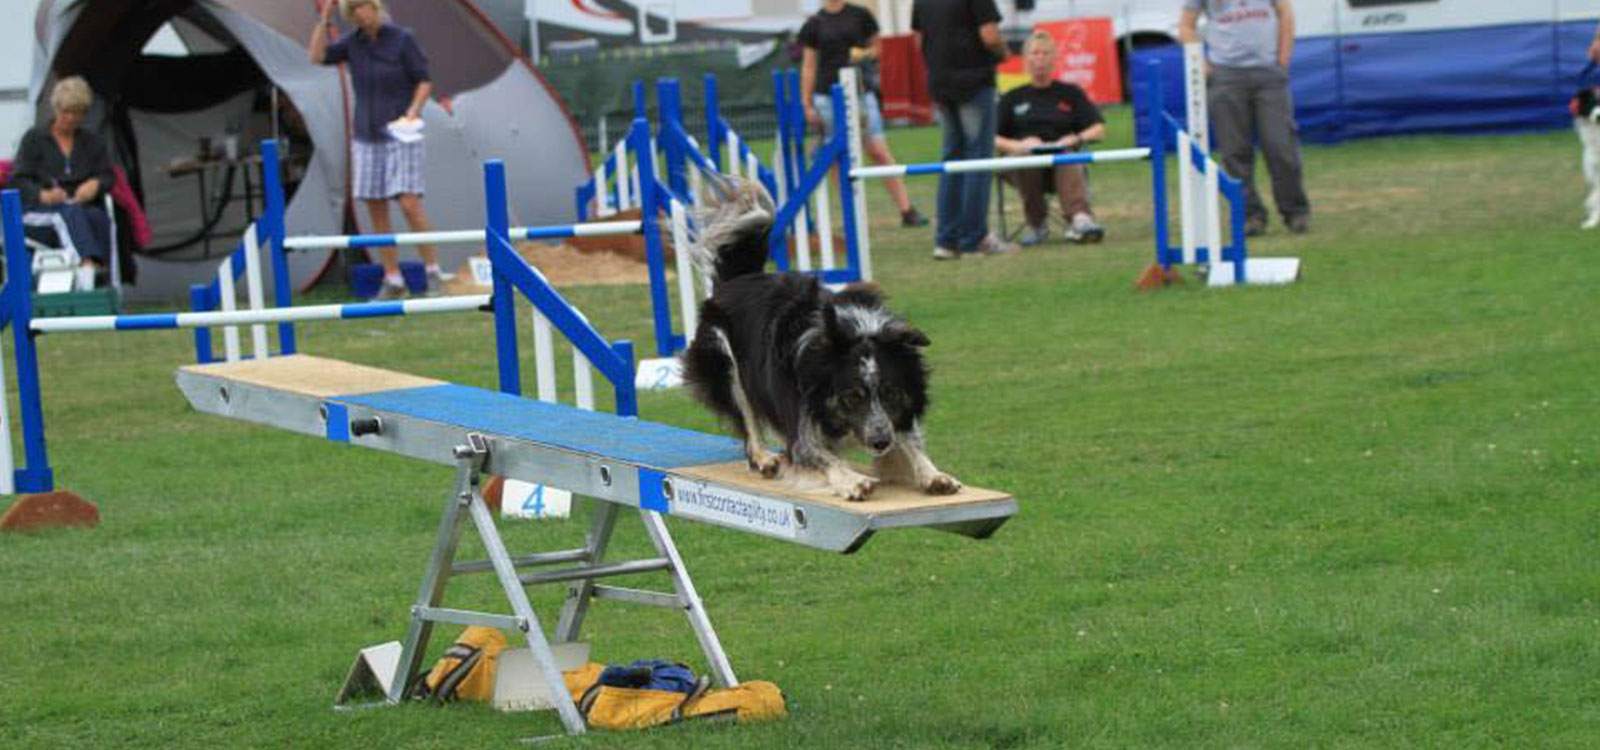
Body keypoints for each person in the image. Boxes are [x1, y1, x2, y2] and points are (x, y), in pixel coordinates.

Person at [309, 0, 445, 299]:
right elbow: (317, 57)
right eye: (352, 10)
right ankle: (392, 277)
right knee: (375, 206)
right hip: (366, 135)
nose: (359, 14)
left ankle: (433, 270)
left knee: (409, 203)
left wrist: (413, 111)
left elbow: (424, 80)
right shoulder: (351, 44)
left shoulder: (402, 39)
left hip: (400, 132)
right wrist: (324, 20)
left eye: (362, 7)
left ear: (375, 7)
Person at [1179, 0, 1311, 236]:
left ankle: (1295, 212)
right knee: (1235, 152)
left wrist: (1283, 60)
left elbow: (1285, 13)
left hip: (1269, 74)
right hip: (1225, 76)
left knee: (1281, 146)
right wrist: (1203, 64)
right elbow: (1186, 27)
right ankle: (1250, 216)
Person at [799, 0, 928, 228]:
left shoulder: (860, 15)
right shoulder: (813, 24)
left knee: (878, 151)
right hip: (826, 96)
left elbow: (879, 49)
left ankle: (907, 209)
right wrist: (806, 103)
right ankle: (851, 216)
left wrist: (864, 53)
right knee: (836, 158)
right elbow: (809, 66)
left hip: (861, 92)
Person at [912, 0, 1017, 260]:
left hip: (940, 82)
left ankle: (946, 241)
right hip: (974, 82)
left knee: (951, 161)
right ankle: (974, 238)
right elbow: (990, 37)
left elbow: (917, 40)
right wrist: (1005, 54)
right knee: (978, 160)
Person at [995, 31, 1107, 246]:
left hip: (1062, 161)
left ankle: (1080, 220)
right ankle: (1037, 224)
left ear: (1054, 59)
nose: (1039, 59)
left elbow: (1099, 130)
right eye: (1034, 53)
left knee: (1065, 156)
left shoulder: (1070, 93)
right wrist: (1018, 146)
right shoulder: (1012, 97)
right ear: (1026, 59)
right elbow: (992, 138)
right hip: (1023, 162)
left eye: (1045, 53)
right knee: (1026, 158)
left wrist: (1075, 138)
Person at [10, 76, 115, 283]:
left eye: (77, 113)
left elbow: (108, 176)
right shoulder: (34, 139)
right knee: (70, 214)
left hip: (79, 208)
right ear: (56, 109)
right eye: (67, 112)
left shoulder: (93, 142)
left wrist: (95, 184)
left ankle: (105, 281)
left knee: (98, 217)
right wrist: (42, 194)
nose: (71, 118)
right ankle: (86, 267)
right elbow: (18, 180)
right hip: (40, 211)